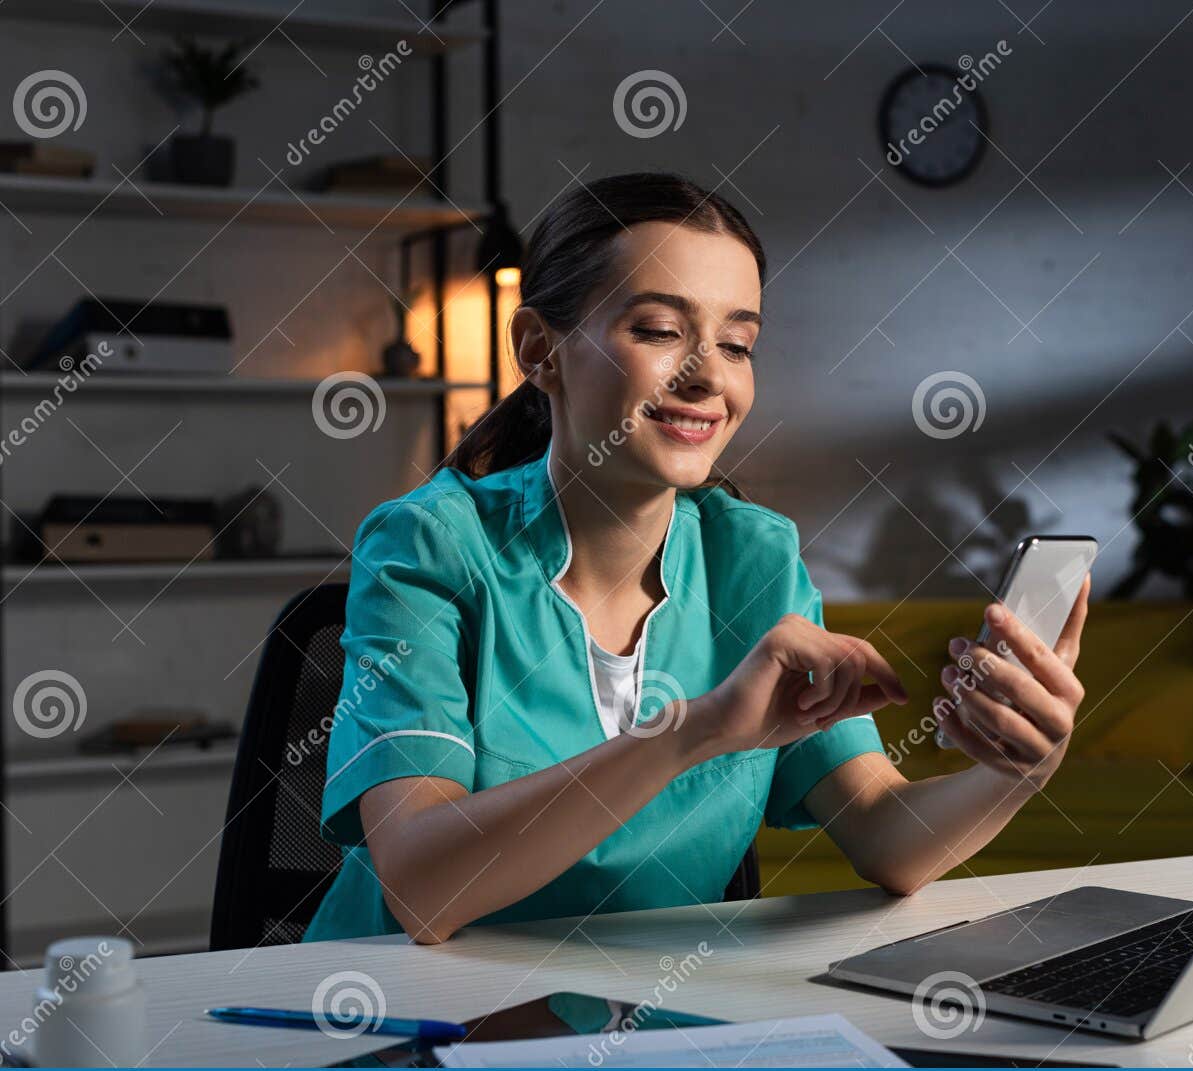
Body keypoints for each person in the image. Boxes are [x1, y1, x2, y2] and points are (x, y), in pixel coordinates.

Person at [304, 172, 1090, 943]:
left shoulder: (754, 559)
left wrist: (1018, 772)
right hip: (414, 1010)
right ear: (540, 350)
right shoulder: (429, 545)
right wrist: (691, 731)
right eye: (658, 330)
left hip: (648, 1011)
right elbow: (423, 888)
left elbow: (887, 835)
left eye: (737, 343)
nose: (709, 375)